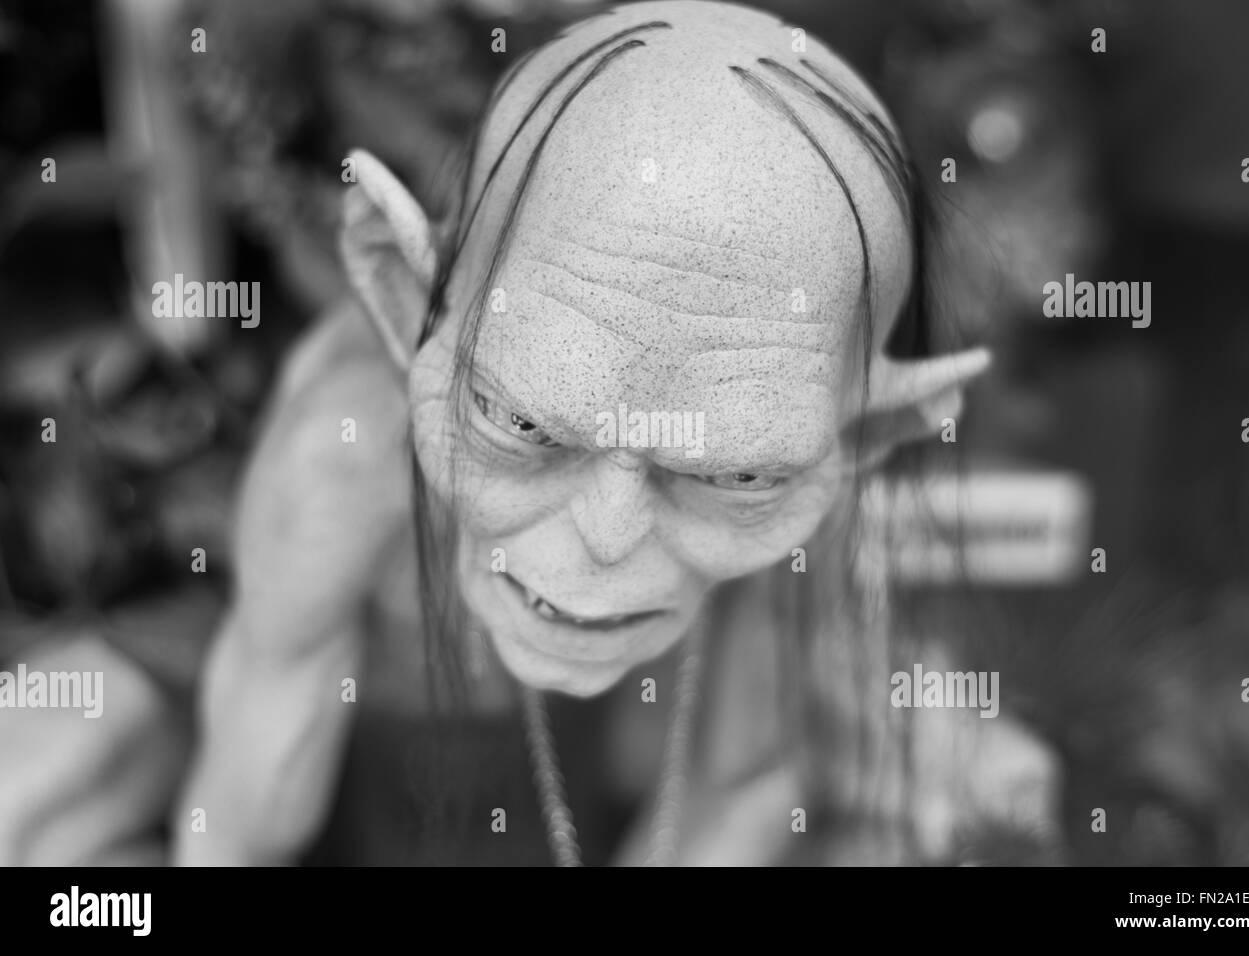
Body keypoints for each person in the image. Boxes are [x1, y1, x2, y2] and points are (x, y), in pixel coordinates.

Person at [172, 0, 1057, 866]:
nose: (608, 534)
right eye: (521, 422)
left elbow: (747, 786)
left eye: (731, 475)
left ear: (868, 432)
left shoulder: (804, 473)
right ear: (404, 299)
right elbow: (246, 800)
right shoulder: (346, 452)